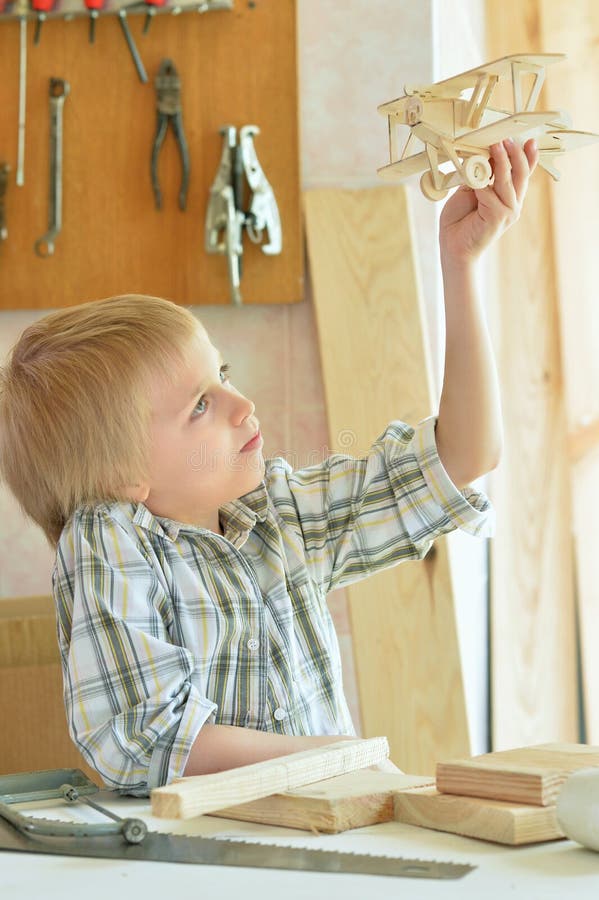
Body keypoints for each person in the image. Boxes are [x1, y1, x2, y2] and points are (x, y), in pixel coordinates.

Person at [0, 139, 538, 795]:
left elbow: (461, 458)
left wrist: (460, 264)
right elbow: (146, 736)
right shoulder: (108, 538)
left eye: (220, 376)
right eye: (200, 404)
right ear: (121, 480)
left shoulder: (277, 514)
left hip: (322, 839)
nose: (241, 404)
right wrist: (334, 757)